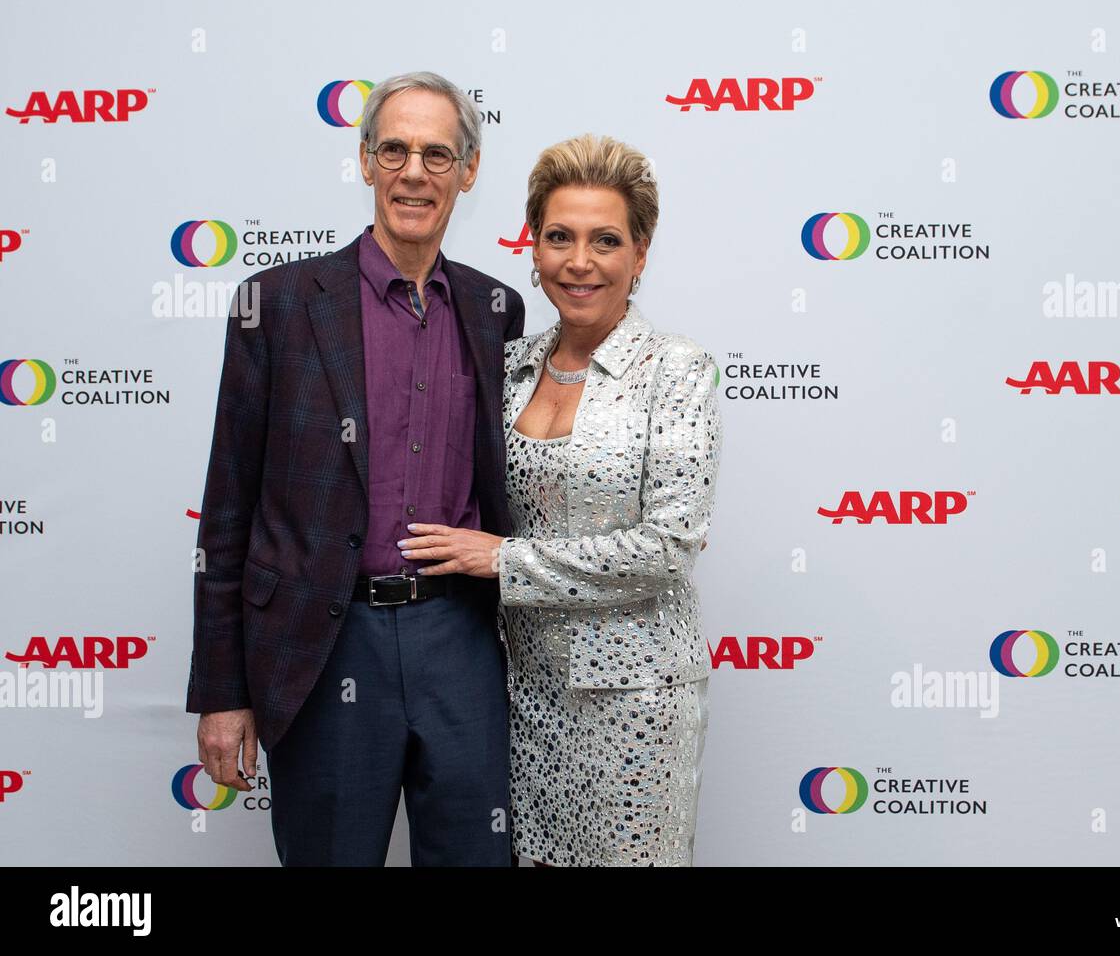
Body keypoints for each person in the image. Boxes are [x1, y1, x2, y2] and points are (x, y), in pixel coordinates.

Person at [187, 71, 525, 866]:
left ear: (468, 172)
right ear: (366, 159)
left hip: (462, 644)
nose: (415, 172)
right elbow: (227, 508)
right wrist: (221, 690)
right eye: (396, 149)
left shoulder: (498, 310)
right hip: (326, 645)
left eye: (438, 154)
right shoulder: (276, 304)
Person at [398, 134, 722, 865]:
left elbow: (669, 546)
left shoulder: (676, 369)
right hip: (521, 694)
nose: (580, 261)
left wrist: (504, 559)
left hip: (638, 697)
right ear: (534, 249)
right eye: (560, 237)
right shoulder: (507, 363)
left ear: (640, 254)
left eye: (606, 240)